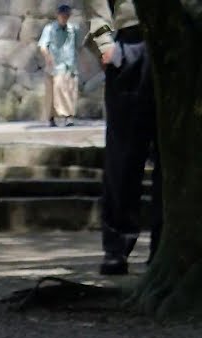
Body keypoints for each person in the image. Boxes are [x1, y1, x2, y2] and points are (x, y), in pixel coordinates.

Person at [84, 1, 160, 275]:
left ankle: (162, 247)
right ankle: (117, 247)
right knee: (123, 156)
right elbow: (96, 5)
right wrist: (105, 45)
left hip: (179, 41)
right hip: (131, 41)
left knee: (174, 158)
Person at [38, 4, 80, 127]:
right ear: (58, 15)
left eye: (67, 15)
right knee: (53, 92)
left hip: (69, 65)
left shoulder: (73, 29)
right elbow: (43, 46)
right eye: (62, 15)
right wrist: (48, 57)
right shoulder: (49, 29)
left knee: (69, 90)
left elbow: (78, 46)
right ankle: (53, 117)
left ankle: (68, 116)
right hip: (54, 65)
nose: (64, 17)